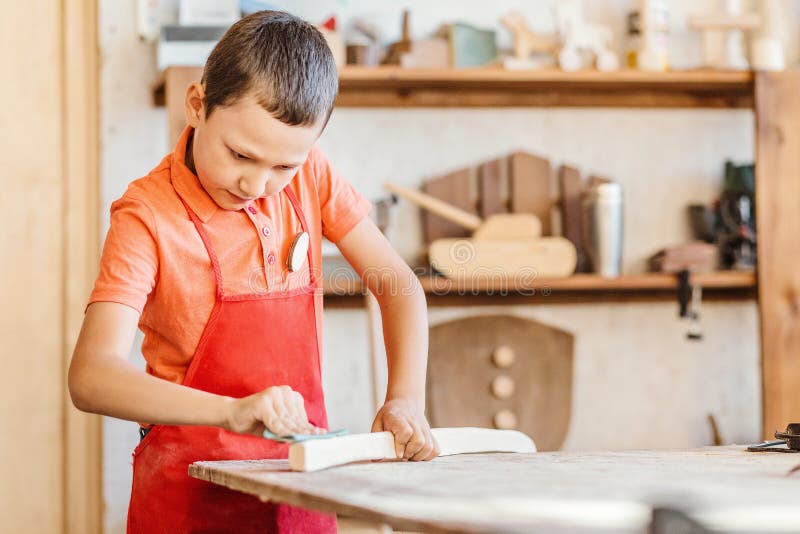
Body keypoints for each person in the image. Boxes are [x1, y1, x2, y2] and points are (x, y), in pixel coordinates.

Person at [68, 10, 438, 533]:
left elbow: (398, 285)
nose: (256, 184)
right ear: (197, 105)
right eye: (240, 154)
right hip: (189, 497)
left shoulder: (311, 176)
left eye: (282, 166)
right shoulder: (147, 216)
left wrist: (404, 399)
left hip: (302, 484)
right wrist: (229, 412)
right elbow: (91, 376)